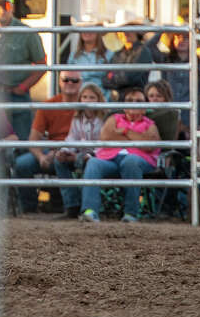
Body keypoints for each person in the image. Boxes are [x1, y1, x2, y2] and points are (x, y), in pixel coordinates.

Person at [79, 87, 160, 223]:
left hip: (138, 161)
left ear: (145, 108)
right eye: (129, 100)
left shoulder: (150, 125)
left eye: (138, 101)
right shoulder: (113, 118)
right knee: (93, 162)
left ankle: (130, 214)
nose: (133, 104)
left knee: (130, 161)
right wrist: (137, 138)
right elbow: (105, 138)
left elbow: (149, 145)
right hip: (110, 159)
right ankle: (90, 211)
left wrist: (124, 131)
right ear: (123, 106)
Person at [10, 69, 81, 215]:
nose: (69, 83)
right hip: (52, 149)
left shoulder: (88, 105)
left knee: (60, 160)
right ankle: (29, 210)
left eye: (74, 80)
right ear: (59, 82)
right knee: (21, 164)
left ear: (81, 83)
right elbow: (33, 140)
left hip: (79, 149)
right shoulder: (48, 105)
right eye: (66, 79)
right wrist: (41, 157)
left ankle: (72, 208)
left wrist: (61, 151)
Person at [0, 0, 46, 141]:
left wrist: (23, 87)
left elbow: (42, 65)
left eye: (6, 5)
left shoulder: (27, 33)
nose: (2, 10)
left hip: (18, 95)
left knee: (22, 143)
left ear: (12, 7)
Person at [54, 83, 107, 218]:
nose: (87, 101)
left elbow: (105, 144)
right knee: (59, 161)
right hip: (80, 154)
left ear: (99, 99)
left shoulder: (105, 118)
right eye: (84, 97)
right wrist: (64, 151)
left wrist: (88, 156)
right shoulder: (77, 118)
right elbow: (72, 138)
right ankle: (72, 205)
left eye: (92, 97)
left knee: (91, 163)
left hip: (99, 157)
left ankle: (87, 208)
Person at [102, 19, 155, 101]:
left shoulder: (144, 51)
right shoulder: (118, 53)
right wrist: (121, 77)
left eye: (129, 29)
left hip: (136, 100)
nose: (125, 33)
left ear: (138, 32)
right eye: (122, 30)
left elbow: (131, 77)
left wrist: (114, 77)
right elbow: (105, 80)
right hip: (119, 101)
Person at [66, 24, 109, 90]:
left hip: (102, 95)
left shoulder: (108, 54)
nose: (87, 31)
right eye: (84, 28)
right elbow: (69, 78)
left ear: (98, 32)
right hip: (79, 96)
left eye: (91, 28)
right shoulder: (73, 55)